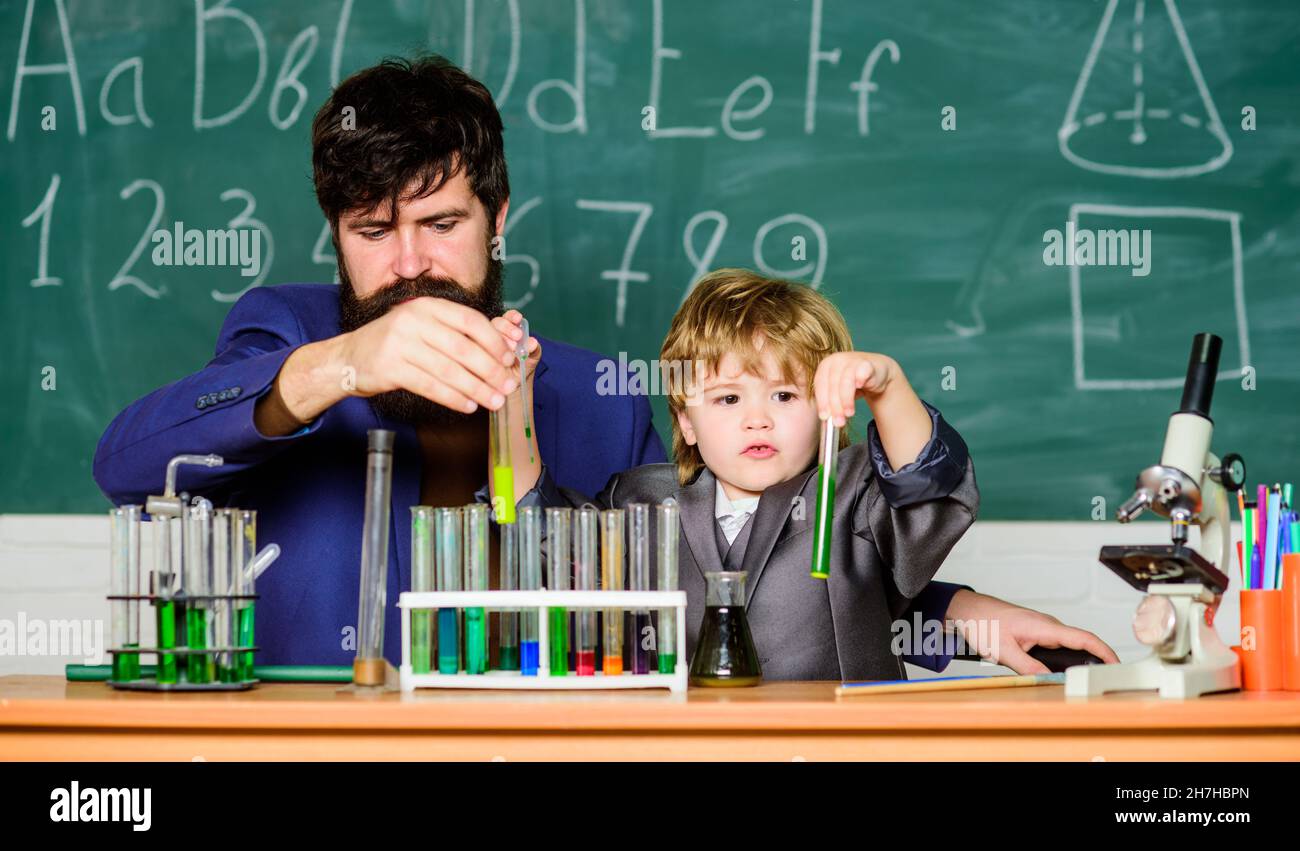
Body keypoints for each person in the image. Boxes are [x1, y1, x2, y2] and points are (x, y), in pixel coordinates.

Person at [91, 56, 664, 666]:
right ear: (335, 234)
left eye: (440, 224)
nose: (410, 264)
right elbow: (124, 468)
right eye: (373, 232)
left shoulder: (605, 399)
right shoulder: (289, 334)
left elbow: (658, 630)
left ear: (496, 219)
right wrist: (334, 366)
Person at [528, 269, 1118, 679]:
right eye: (728, 400)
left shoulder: (853, 494)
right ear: (684, 421)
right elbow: (546, 546)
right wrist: (511, 411)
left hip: (843, 746)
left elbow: (926, 493)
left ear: (827, 409)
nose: (757, 419)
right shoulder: (639, 500)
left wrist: (888, 389)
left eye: (785, 395)